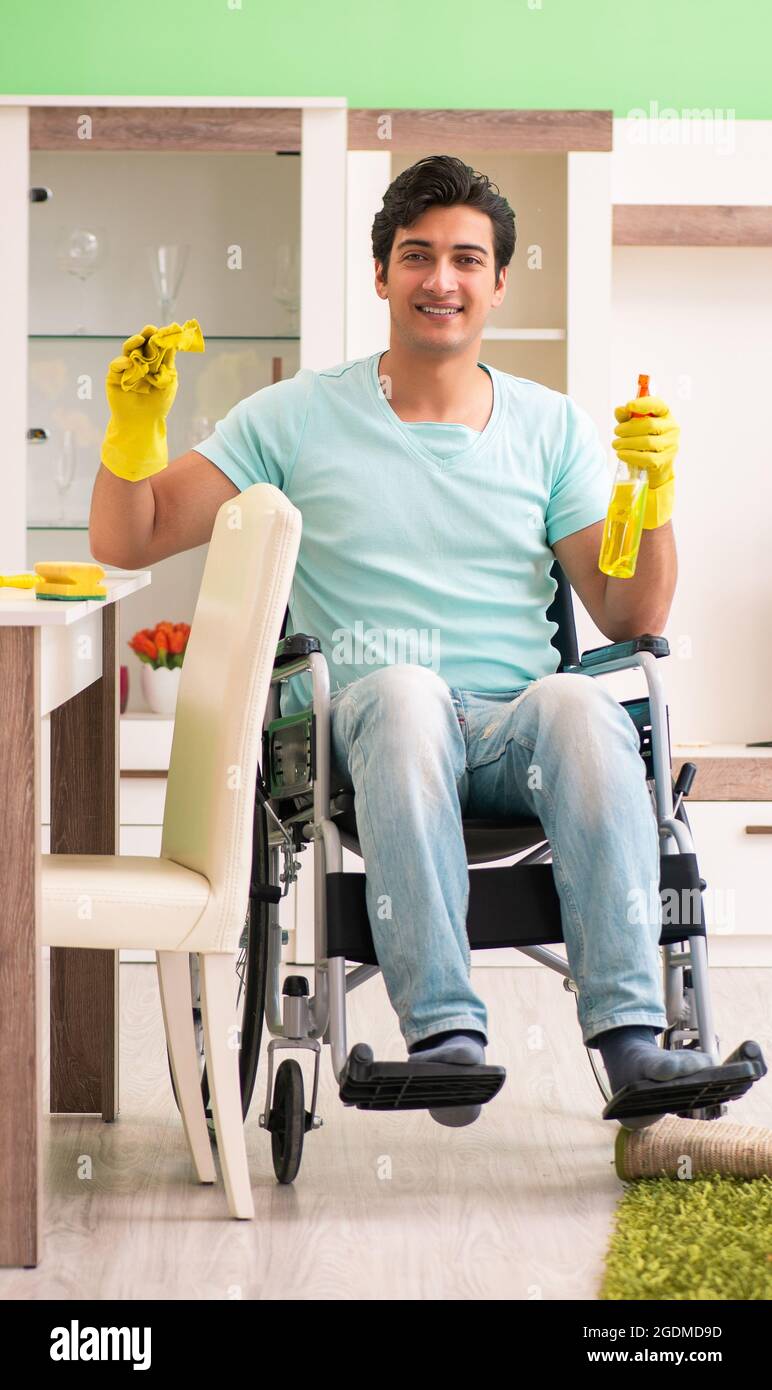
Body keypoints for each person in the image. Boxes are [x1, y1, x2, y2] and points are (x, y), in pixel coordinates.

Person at [91, 153, 711, 1129]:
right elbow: (130, 535)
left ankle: (634, 1041)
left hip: (517, 736)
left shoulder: (551, 429)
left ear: (499, 282)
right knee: (408, 690)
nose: (441, 279)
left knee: (580, 699)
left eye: (467, 259)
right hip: (369, 724)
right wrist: (132, 433)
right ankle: (444, 1037)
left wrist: (654, 500)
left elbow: (630, 619)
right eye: (416, 256)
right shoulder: (293, 417)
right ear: (380, 273)